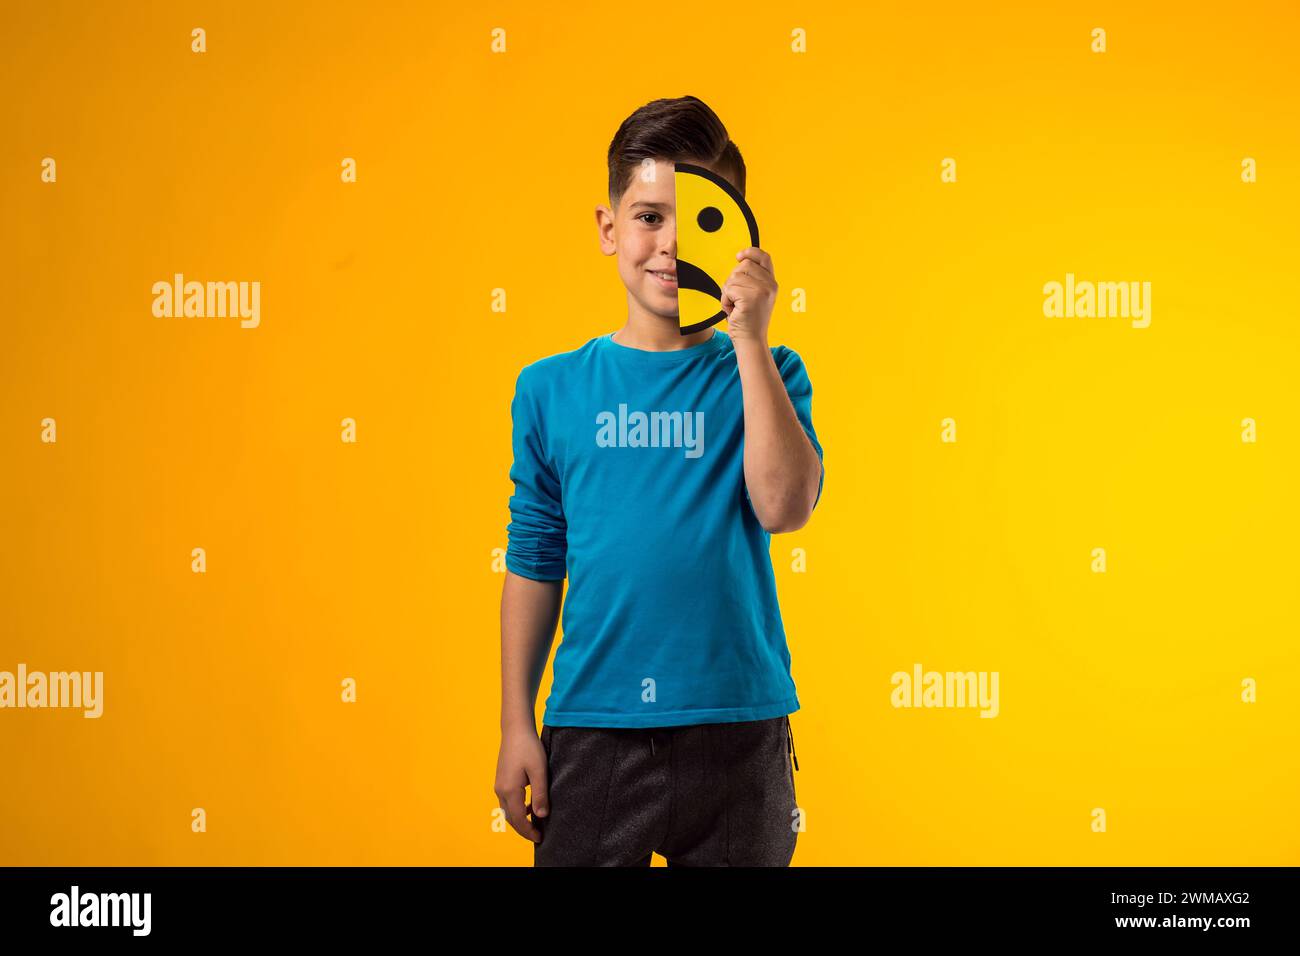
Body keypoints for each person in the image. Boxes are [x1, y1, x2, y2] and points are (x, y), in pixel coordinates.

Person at [493, 95, 824, 866]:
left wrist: (748, 339)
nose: (672, 244)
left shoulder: (769, 375)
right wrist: (516, 723)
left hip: (739, 734)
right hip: (595, 729)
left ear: (741, 237)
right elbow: (534, 558)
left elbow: (783, 506)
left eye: (702, 220)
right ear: (609, 229)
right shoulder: (551, 389)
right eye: (649, 216)